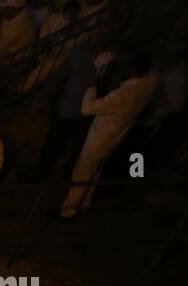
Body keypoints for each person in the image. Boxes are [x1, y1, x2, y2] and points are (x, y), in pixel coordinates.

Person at [61, 53, 159, 218]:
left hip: (99, 139)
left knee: (82, 174)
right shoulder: (150, 81)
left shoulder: (123, 94)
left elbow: (87, 109)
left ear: (133, 70)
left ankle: (68, 212)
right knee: (96, 170)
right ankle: (85, 203)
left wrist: (92, 86)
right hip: (115, 137)